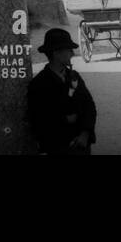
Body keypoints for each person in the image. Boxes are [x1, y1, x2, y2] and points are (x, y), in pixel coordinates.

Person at [27, 28, 97, 156]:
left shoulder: (74, 76)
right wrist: (64, 119)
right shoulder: (39, 84)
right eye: (69, 50)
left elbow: (89, 106)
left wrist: (85, 133)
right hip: (57, 146)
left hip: (81, 145)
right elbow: (39, 118)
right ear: (56, 53)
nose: (72, 54)